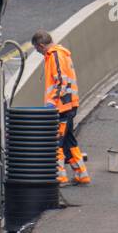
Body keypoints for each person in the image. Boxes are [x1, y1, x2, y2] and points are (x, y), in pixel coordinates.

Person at [32, 30, 89, 186]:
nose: (39, 53)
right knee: (68, 141)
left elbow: (61, 81)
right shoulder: (60, 54)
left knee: (55, 141)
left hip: (62, 107)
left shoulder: (55, 55)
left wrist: (51, 102)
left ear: (41, 45)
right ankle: (81, 174)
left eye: (38, 50)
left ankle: (59, 177)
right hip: (68, 105)